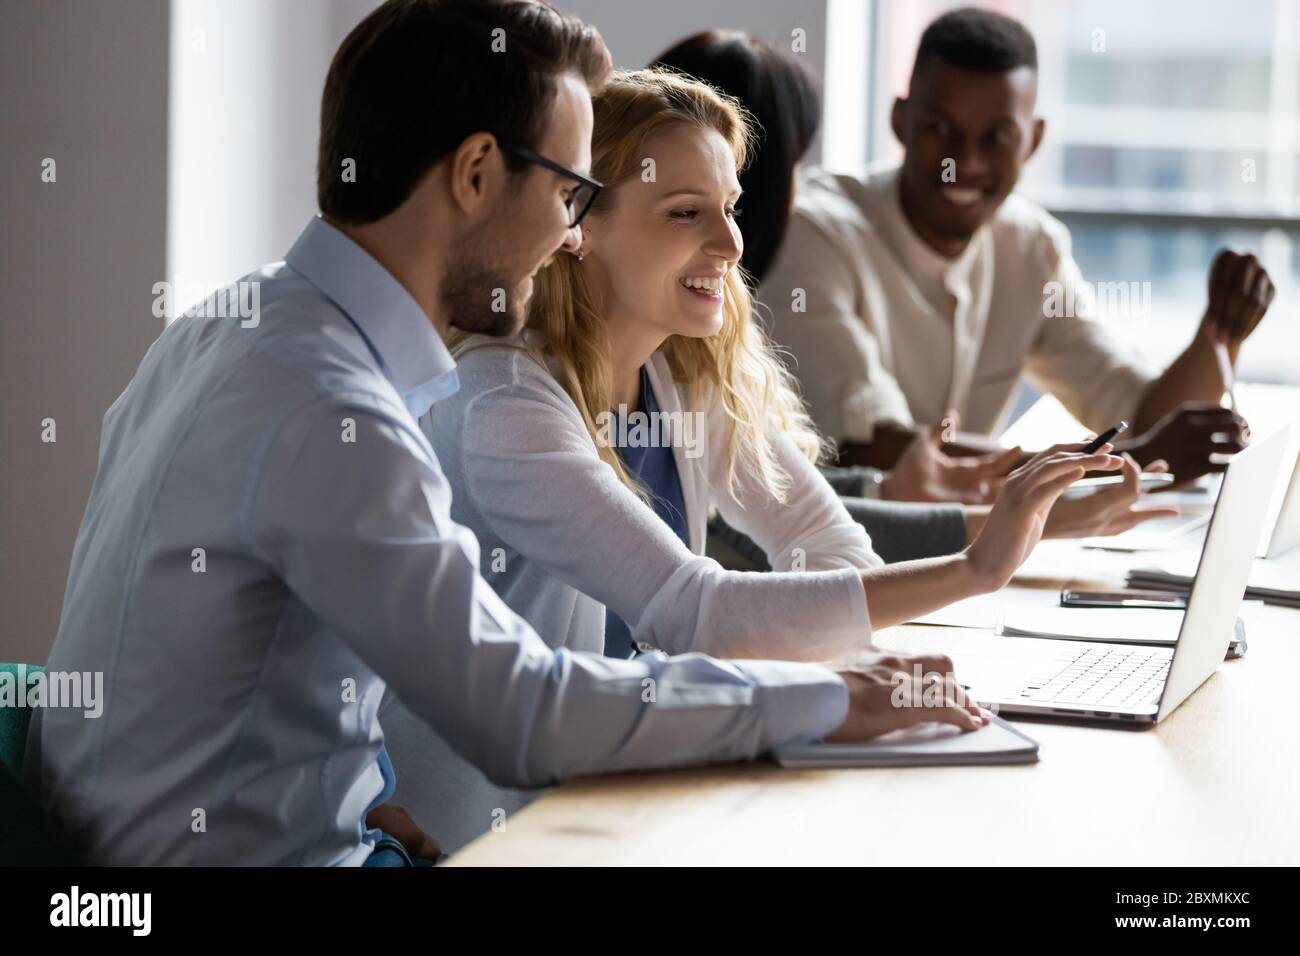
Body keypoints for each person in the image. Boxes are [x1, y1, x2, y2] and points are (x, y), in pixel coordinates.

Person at [25, 0, 990, 868]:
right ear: (479, 173)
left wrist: (353, 808)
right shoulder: (339, 412)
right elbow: (522, 712)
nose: (573, 236)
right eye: (571, 192)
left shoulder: (232, 321)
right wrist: (834, 701)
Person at [378, 67, 1122, 849]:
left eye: (728, 208)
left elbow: (825, 542)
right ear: (579, 224)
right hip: (483, 837)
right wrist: (974, 567)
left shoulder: (680, 372)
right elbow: (699, 613)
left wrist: (878, 680)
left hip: (615, 806)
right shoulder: (507, 407)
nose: (733, 242)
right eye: (687, 212)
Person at [650, 30, 1176, 571]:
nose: (965, 160)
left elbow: (786, 501)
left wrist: (886, 489)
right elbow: (728, 554)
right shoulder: (643, 357)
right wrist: (1032, 520)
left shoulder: (702, 351)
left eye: (995, 136)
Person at [758, 7, 1273, 486]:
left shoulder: (1031, 248)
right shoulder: (817, 231)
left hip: (963, 555)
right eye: (941, 130)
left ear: (1033, 140)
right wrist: (1123, 463)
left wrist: (1219, 334)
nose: (965, 161)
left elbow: (1147, 420)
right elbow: (876, 447)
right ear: (900, 119)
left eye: (997, 137)